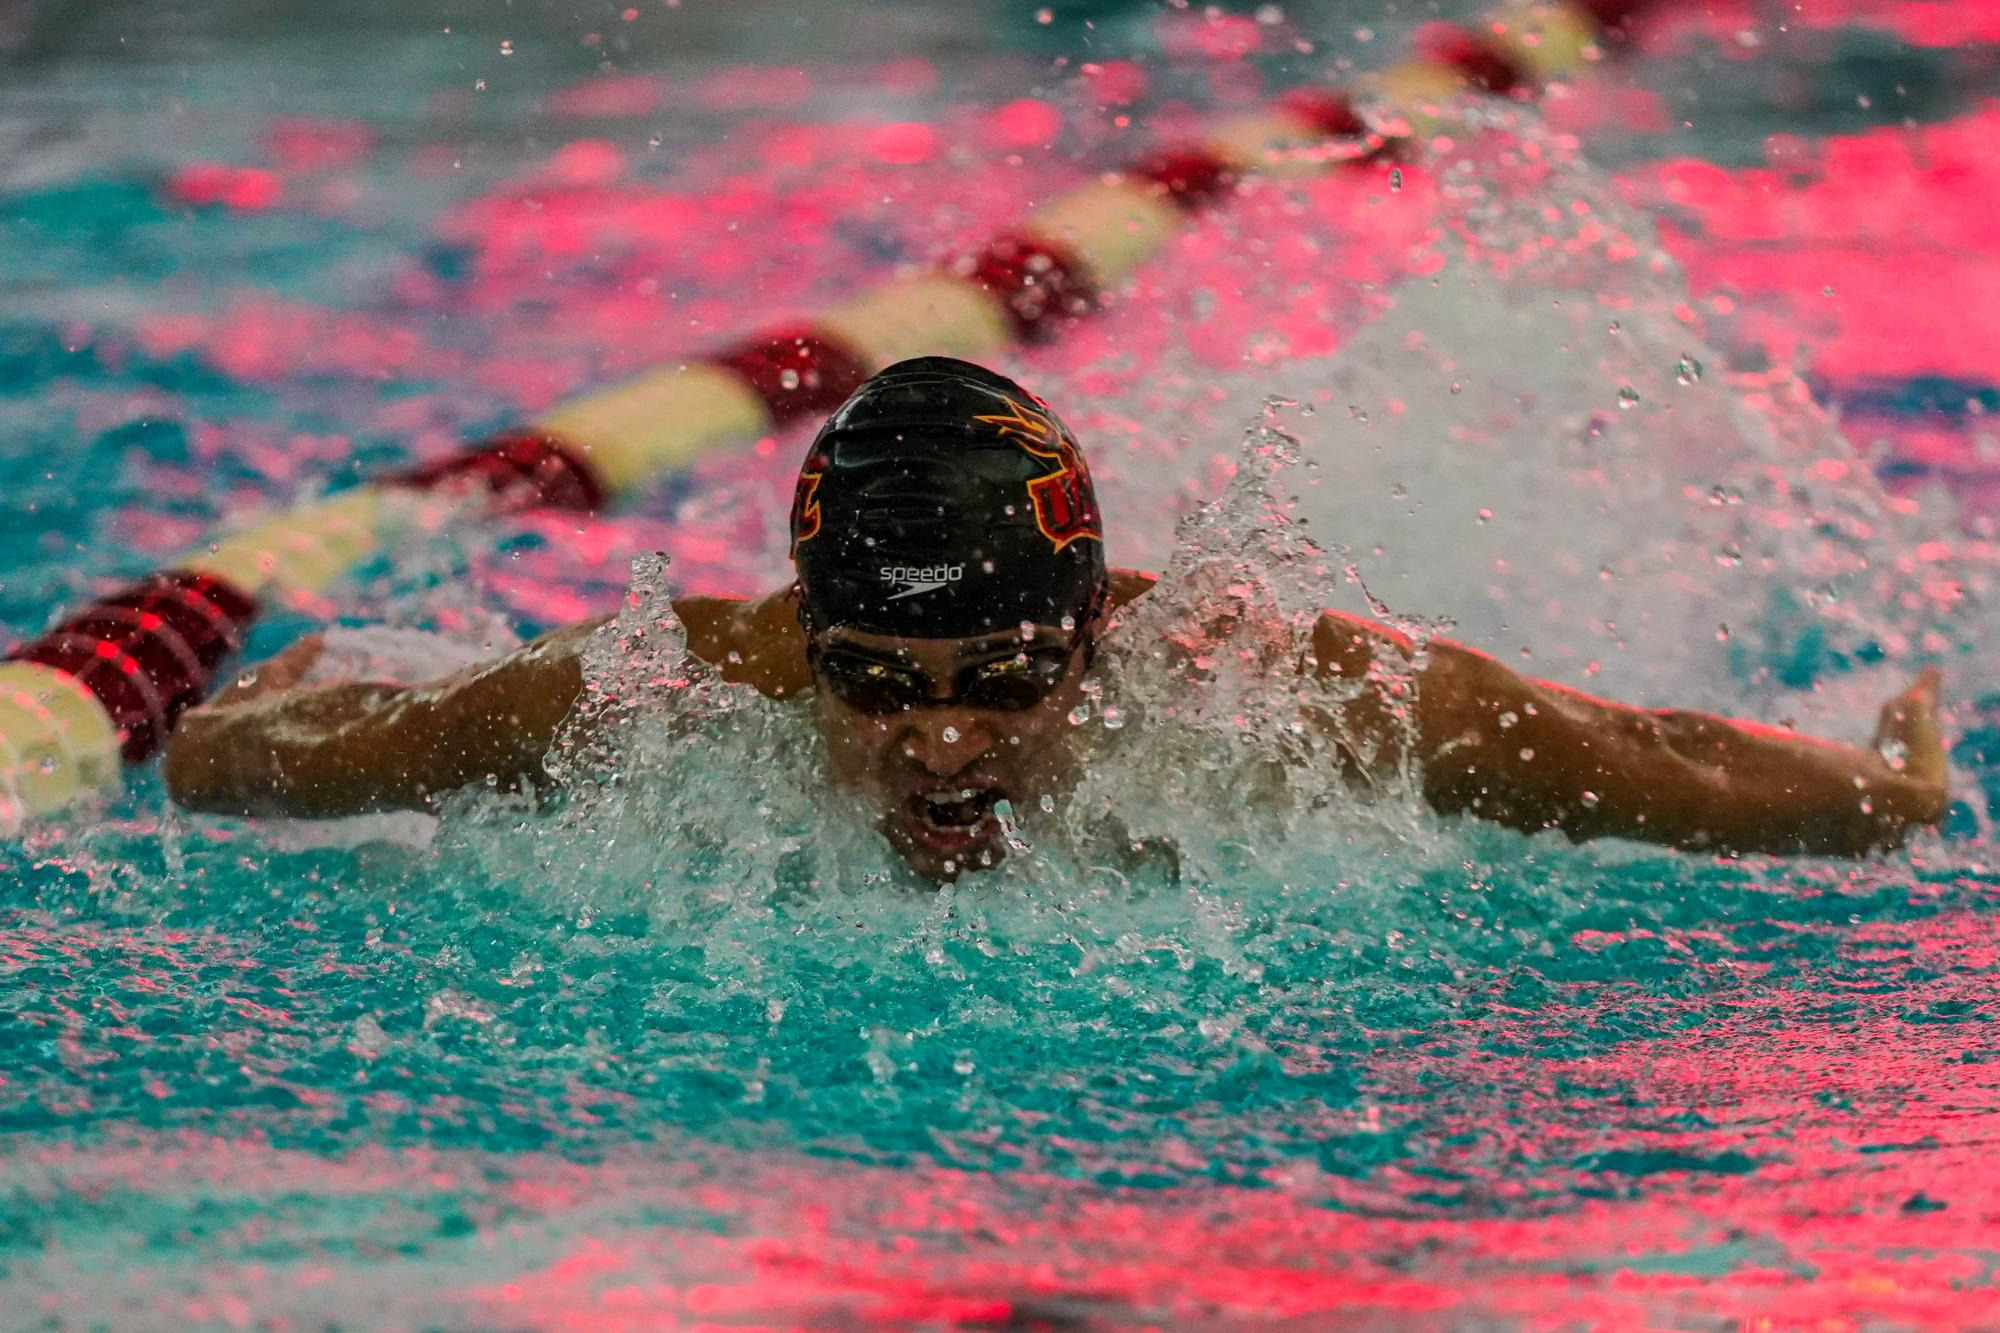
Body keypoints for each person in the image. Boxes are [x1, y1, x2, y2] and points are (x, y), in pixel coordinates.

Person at [163, 357, 1950, 879]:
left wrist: (1892, 788)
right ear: (805, 636)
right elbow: (253, 760)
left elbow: (1638, 753)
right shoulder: (668, 690)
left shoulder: (1273, 690)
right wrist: (259, 706)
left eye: (1006, 676)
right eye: (878, 683)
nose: (942, 740)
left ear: (1097, 634)